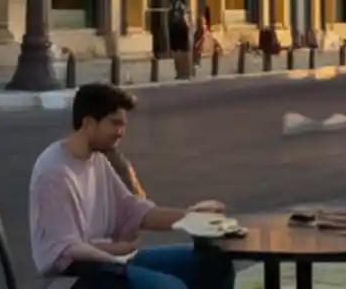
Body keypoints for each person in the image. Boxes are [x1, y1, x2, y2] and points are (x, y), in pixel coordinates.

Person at [30, 83, 236, 289]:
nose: (121, 132)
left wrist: (193, 216)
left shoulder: (96, 160)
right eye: (115, 124)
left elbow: (132, 210)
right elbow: (67, 250)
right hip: (77, 276)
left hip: (112, 262)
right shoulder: (55, 174)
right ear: (89, 123)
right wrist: (118, 254)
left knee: (215, 264)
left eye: (123, 125)